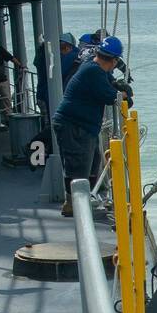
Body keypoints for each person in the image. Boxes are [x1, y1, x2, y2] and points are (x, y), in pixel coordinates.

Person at [52, 35, 132, 217]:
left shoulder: (92, 65)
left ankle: (83, 200)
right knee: (78, 166)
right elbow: (110, 96)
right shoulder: (93, 72)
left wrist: (116, 84)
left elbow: (107, 82)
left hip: (82, 125)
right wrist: (124, 94)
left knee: (93, 161)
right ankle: (74, 206)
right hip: (73, 124)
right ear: (114, 60)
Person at [34, 31, 76, 121]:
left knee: (49, 121)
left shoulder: (44, 56)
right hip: (49, 96)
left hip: (42, 95)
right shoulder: (57, 60)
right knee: (53, 123)